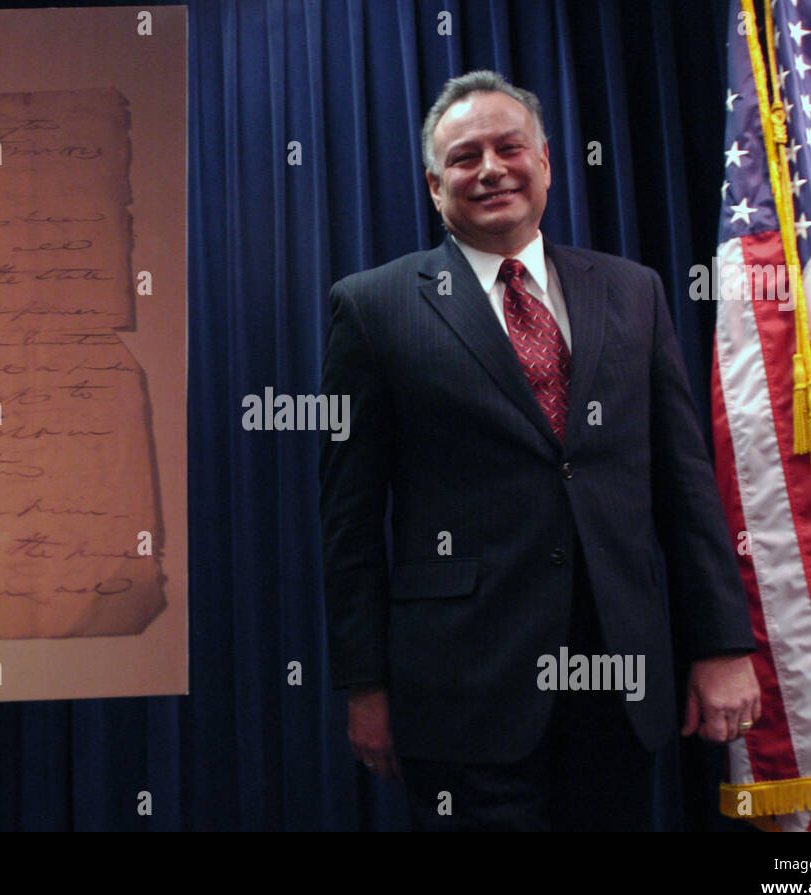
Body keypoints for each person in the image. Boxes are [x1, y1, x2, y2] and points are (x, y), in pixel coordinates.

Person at [319, 70, 761, 831]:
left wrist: (722, 645)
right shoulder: (372, 307)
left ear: (547, 164)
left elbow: (685, 485)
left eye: (508, 147)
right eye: (464, 158)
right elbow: (349, 521)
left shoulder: (634, 292)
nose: (489, 169)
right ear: (434, 186)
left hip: (620, 684)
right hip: (462, 694)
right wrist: (366, 686)